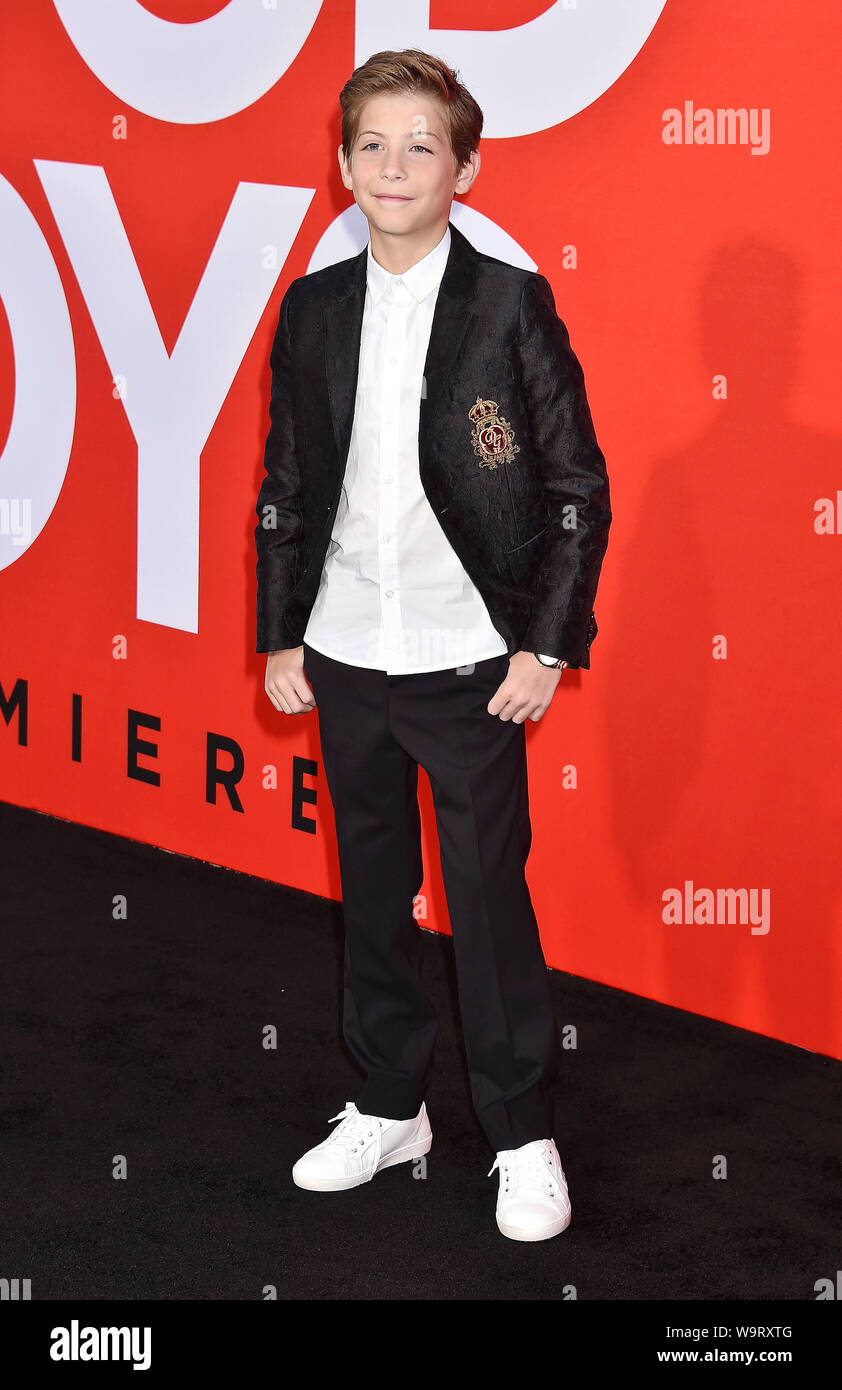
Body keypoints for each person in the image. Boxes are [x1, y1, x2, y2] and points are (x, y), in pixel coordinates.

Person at [254, 48, 611, 1242]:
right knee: (368, 891)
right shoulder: (310, 310)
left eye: (419, 144)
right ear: (341, 163)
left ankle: (519, 1132)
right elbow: (288, 485)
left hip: (468, 661)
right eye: (370, 143)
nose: (392, 164)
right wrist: (279, 632)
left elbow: (571, 485)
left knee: (483, 897)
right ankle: (385, 1103)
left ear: (465, 165)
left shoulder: (508, 301)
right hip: (345, 649)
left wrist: (542, 646)